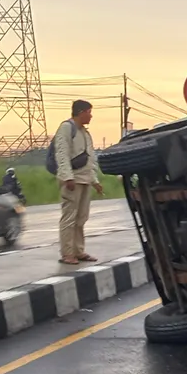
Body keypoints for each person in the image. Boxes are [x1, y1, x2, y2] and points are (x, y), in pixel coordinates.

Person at [54, 100, 103, 265]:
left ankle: (79, 250)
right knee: (69, 217)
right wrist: (68, 177)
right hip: (73, 180)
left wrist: (95, 181)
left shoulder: (85, 133)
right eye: (89, 111)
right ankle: (67, 253)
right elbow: (62, 154)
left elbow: (90, 159)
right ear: (81, 112)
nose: (91, 115)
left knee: (81, 218)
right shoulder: (67, 128)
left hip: (85, 179)